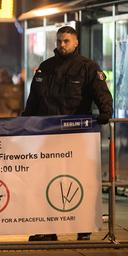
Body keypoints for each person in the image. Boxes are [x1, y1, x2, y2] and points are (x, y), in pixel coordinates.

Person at [22, 26, 113, 241]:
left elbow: (101, 93)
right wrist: (25, 121)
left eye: (66, 41)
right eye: (60, 41)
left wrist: (105, 112)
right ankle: (47, 230)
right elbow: (34, 99)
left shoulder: (87, 68)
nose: (62, 45)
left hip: (77, 135)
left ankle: (83, 228)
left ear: (76, 43)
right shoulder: (45, 68)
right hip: (48, 135)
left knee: (79, 180)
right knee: (46, 181)